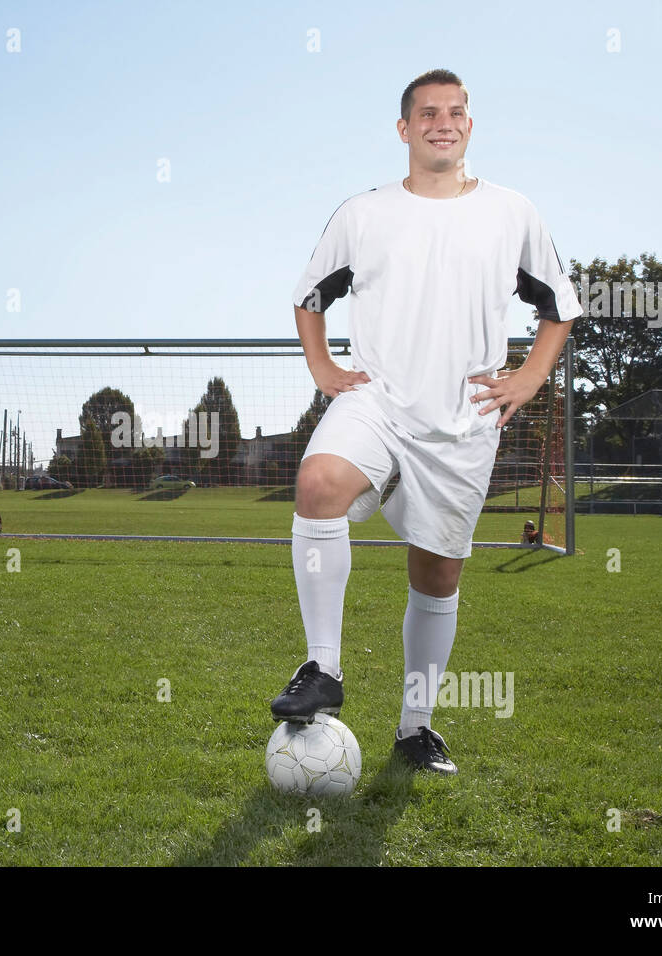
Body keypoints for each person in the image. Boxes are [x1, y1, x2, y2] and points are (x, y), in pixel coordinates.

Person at [271, 69, 582, 775]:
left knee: (436, 573)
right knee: (318, 482)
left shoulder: (513, 212)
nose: (444, 122)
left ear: (469, 125)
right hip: (376, 399)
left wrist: (529, 378)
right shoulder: (363, 213)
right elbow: (309, 296)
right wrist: (323, 370)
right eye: (428, 113)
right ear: (404, 129)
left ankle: (416, 729)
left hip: (463, 420)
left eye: (457, 113)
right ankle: (321, 668)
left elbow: (559, 305)